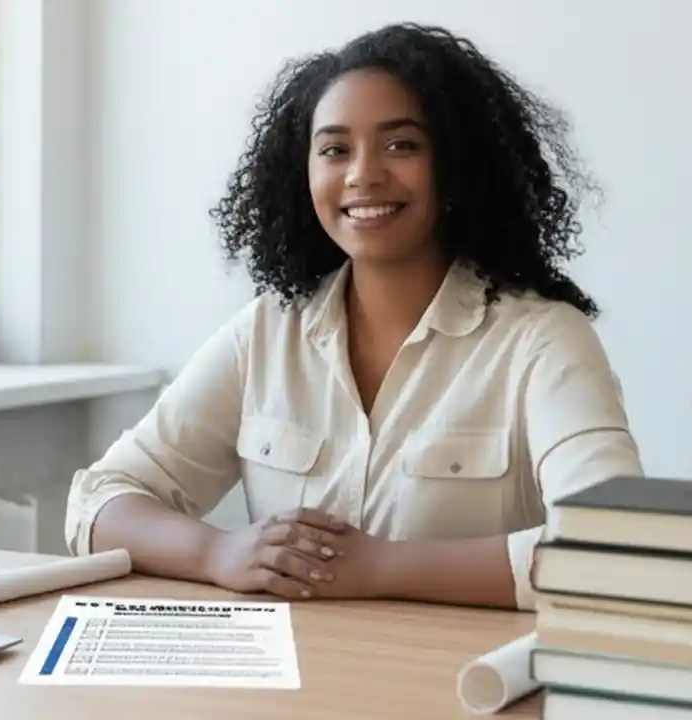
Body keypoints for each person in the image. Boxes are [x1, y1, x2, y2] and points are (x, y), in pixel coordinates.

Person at [65, 22, 643, 610]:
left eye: (401, 145)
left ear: (457, 166)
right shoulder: (267, 332)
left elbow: (616, 550)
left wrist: (384, 566)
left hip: (468, 691)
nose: (363, 174)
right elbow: (100, 500)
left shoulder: (543, 341)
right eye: (335, 150)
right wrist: (220, 554)